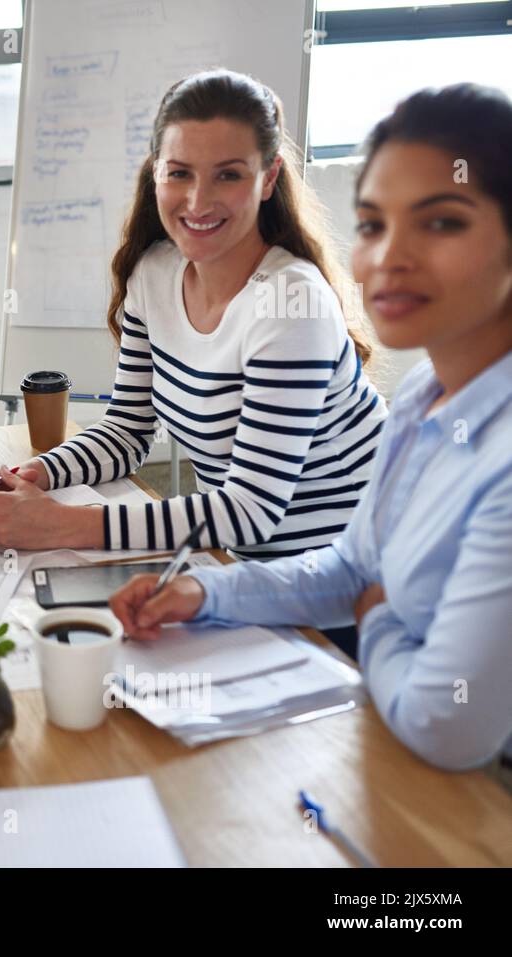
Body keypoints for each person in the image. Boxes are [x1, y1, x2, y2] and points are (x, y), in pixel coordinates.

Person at [109, 84, 512, 773]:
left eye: (441, 222)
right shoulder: (422, 397)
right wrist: (205, 592)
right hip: (389, 730)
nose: (390, 257)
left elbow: (446, 720)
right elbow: (351, 567)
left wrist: (374, 617)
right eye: (374, 224)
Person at [0, 70, 386, 567]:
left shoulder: (290, 302)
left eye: (229, 174)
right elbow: (128, 431)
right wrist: (31, 476)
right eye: (179, 172)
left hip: (359, 578)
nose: (198, 201)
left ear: (269, 179)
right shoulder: (153, 274)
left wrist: (62, 524)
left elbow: (252, 511)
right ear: (156, 173)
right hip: (253, 570)